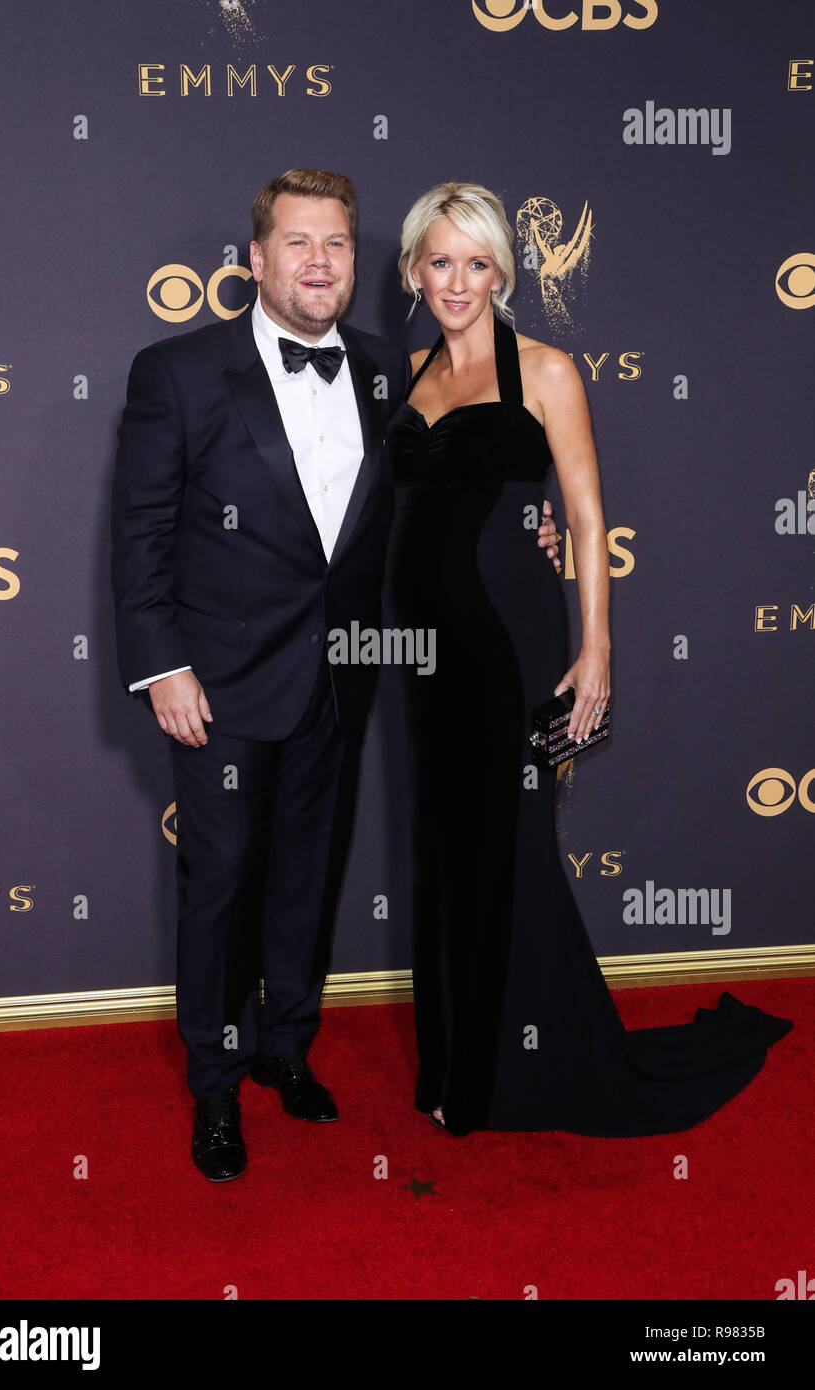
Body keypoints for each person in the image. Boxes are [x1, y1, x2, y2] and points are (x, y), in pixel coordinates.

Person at [110, 169, 563, 1181]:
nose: (319, 261)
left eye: (338, 245)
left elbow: (450, 484)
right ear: (255, 260)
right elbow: (137, 537)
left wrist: (523, 524)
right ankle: (217, 1091)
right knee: (221, 882)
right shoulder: (176, 371)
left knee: (307, 879)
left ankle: (287, 1049)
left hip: (345, 674)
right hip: (216, 685)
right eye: (298, 243)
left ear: (357, 264)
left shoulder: (382, 370)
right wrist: (162, 668)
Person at [386, 181, 792, 1137]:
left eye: (476, 263)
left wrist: (596, 647)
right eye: (439, 261)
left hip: (508, 642)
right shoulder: (399, 375)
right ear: (412, 269)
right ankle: (456, 1067)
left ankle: (520, 1074)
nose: (457, 281)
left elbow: (585, 516)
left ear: (503, 272)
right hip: (420, 656)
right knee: (445, 849)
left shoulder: (548, 372)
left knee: (514, 847)